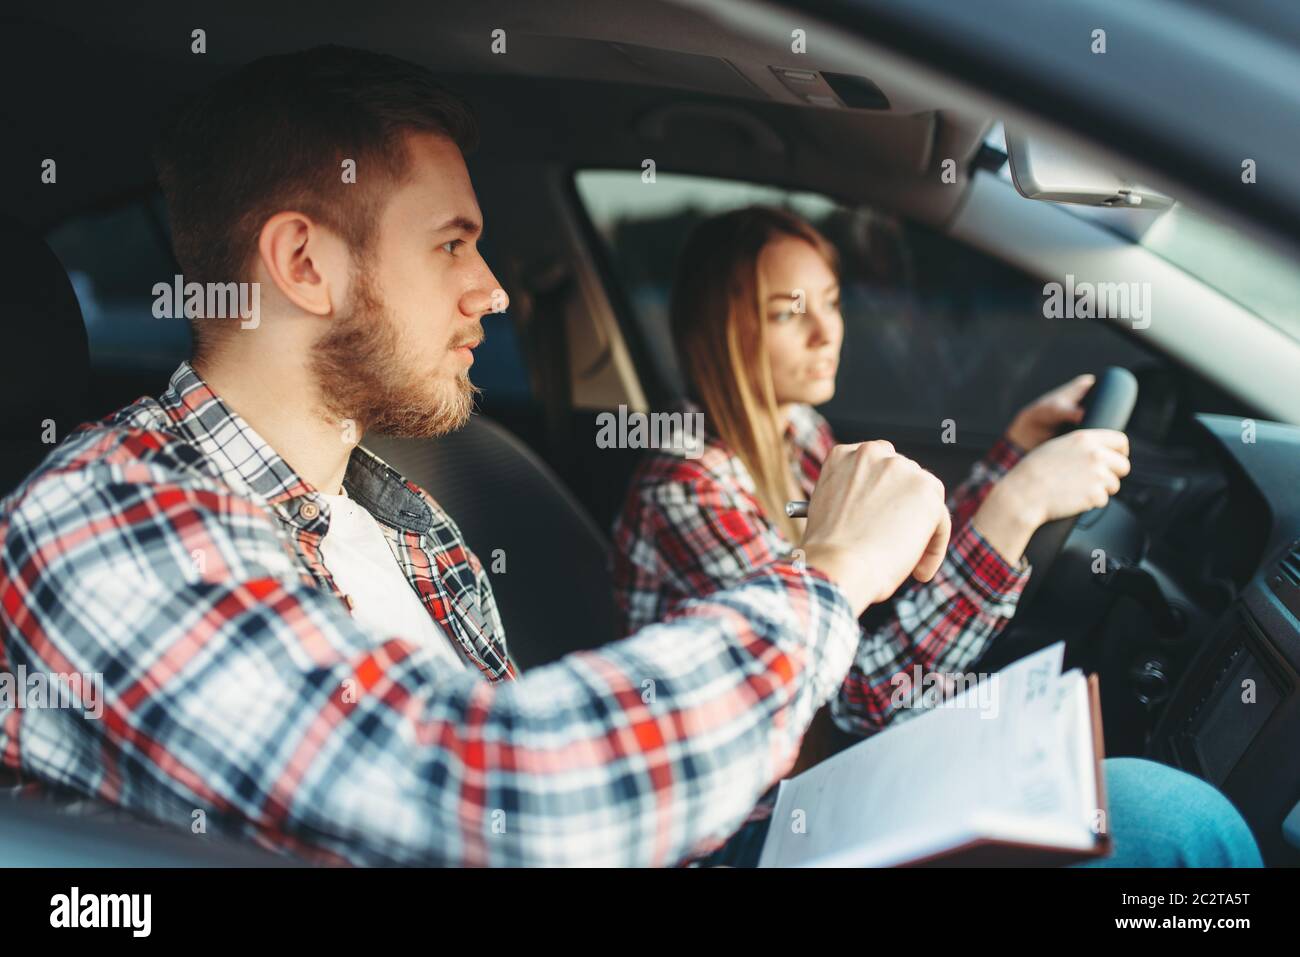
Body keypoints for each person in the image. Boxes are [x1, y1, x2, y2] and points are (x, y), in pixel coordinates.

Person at [0, 47, 1259, 868]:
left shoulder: (398, 518)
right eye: (451, 245)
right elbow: (506, 803)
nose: (493, 291)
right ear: (304, 263)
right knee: (1168, 830)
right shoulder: (102, 519)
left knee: (1146, 819)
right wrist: (817, 579)